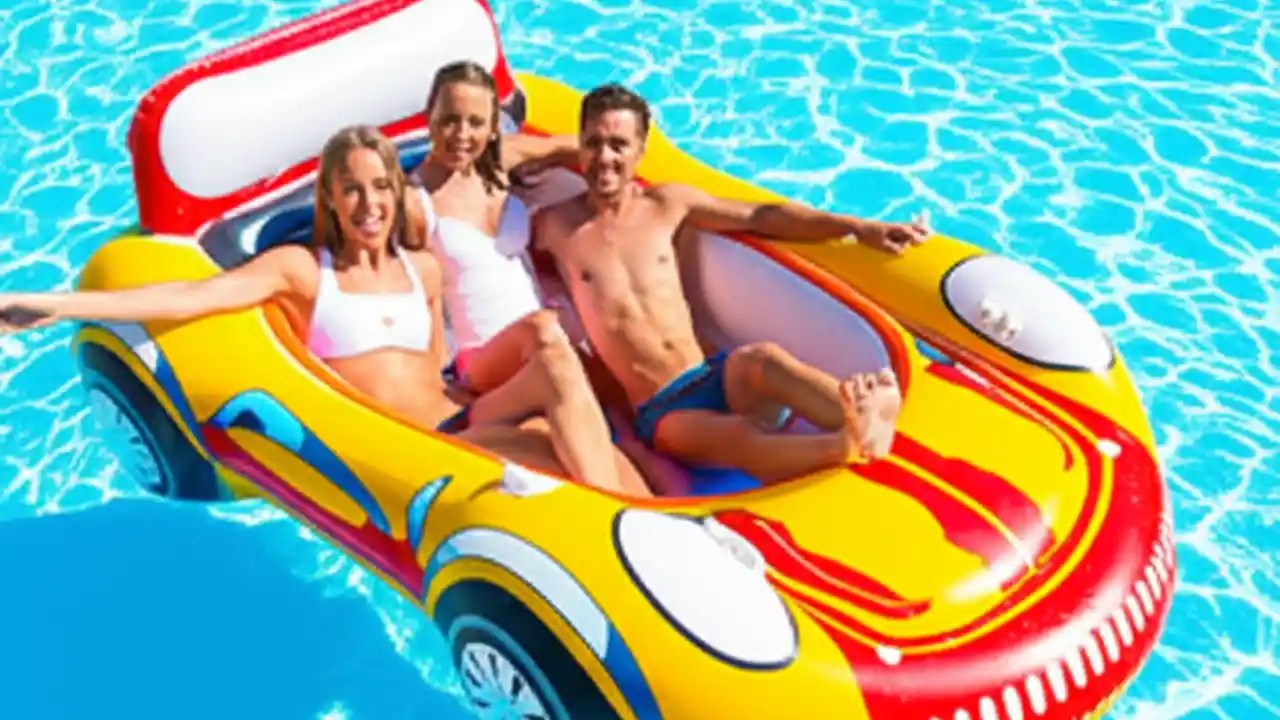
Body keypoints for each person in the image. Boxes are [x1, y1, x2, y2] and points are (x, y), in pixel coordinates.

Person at [0, 124, 638, 495]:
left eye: (381, 187)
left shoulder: (422, 268)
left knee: (549, 343)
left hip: (458, 419)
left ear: (397, 193)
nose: (369, 204)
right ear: (330, 199)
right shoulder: (304, 272)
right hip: (408, 451)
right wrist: (57, 305)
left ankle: (662, 518)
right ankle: (637, 523)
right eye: (352, 189)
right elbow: (195, 295)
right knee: (559, 446)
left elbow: (443, 366)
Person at [531, 83, 931, 485]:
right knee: (737, 436)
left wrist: (857, 227)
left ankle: (857, 411)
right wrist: (547, 152)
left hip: (709, 373)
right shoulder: (557, 225)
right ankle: (842, 444)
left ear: (641, 150)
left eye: (619, 145)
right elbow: (494, 223)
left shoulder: (667, 204)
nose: (605, 157)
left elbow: (761, 216)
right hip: (662, 412)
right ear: (579, 144)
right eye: (594, 143)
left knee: (763, 359)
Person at [406, 60, 650, 497]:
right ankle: (611, 507)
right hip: (483, 360)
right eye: (450, 120)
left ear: (493, 127)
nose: (462, 135)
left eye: (476, 122)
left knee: (600, 439)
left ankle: (656, 511)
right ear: (429, 116)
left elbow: (575, 147)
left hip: (544, 347)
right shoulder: (414, 198)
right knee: (546, 330)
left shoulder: (498, 163)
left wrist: (620, 178)